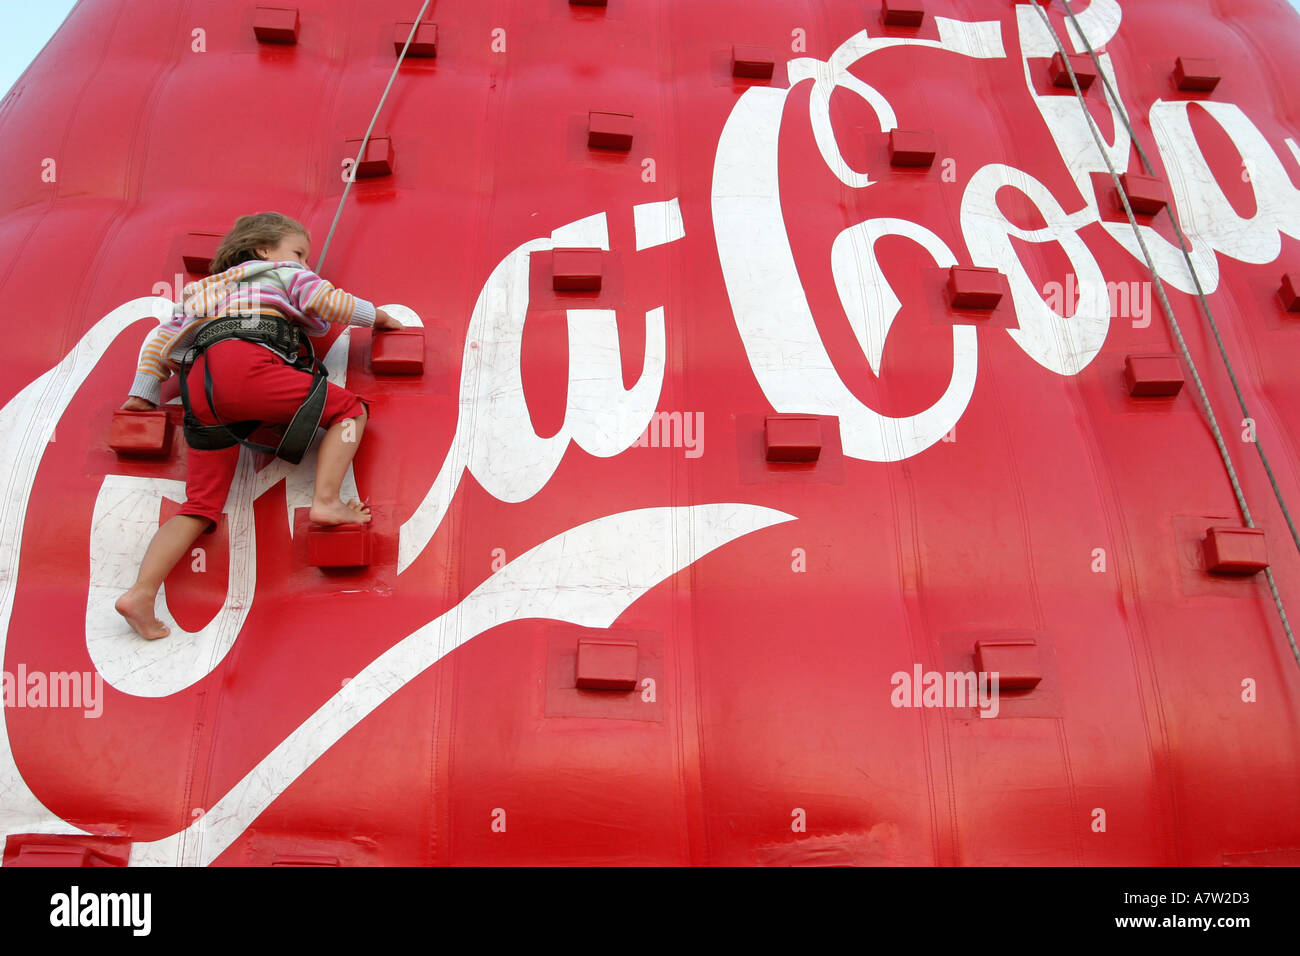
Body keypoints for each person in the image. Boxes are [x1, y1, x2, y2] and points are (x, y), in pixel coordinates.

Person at [114, 212, 402, 640]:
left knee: (199, 505)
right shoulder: (283, 273)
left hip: (201, 386)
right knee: (349, 411)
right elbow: (328, 302)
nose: (304, 261)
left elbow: (162, 338)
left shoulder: (207, 291)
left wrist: (145, 390)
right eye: (299, 251)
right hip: (247, 364)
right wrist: (377, 317)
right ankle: (327, 501)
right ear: (265, 250)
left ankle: (140, 592)